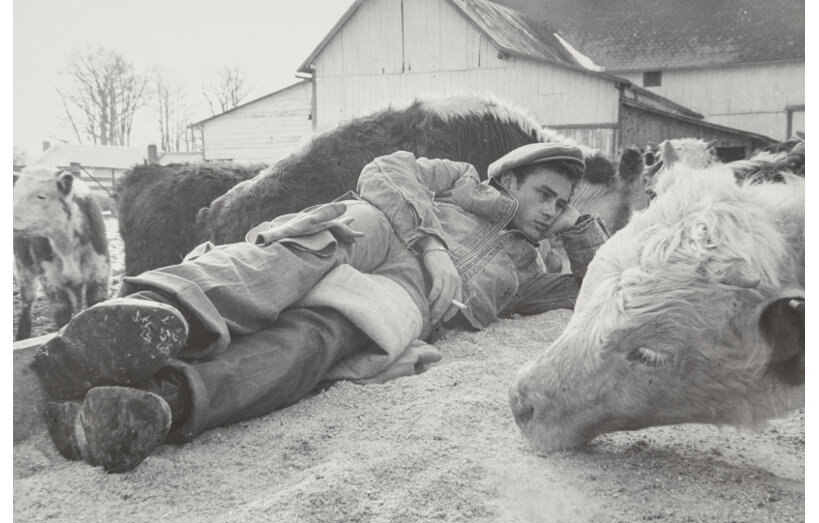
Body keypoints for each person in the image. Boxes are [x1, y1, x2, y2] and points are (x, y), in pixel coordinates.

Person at [33, 143, 610, 473]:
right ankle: (141, 317)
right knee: (297, 254)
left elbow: (596, 285)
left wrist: (579, 228)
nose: (548, 210)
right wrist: (432, 244)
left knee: (320, 341)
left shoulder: (531, 273)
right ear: (509, 177)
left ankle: (162, 401)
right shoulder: (456, 178)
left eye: (559, 204)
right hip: (388, 229)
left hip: (410, 298)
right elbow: (383, 170)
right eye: (543, 194)